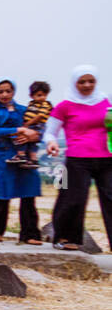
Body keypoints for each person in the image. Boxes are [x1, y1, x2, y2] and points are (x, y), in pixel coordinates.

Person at [45, 65, 112, 251]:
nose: (87, 85)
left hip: (107, 157)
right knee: (73, 198)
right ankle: (66, 238)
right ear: (75, 83)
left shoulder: (107, 102)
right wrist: (52, 143)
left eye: (91, 81)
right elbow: (50, 133)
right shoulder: (65, 106)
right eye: (82, 81)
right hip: (77, 158)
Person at [0, 78, 43, 243]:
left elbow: (39, 128)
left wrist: (33, 135)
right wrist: (19, 130)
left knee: (28, 194)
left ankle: (30, 234)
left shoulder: (25, 109)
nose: (4, 94)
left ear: (13, 92)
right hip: (4, 156)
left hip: (25, 156)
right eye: (1, 91)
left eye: (8, 91)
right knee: (2, 194)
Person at [5, 81, 50, 169]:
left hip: (37, 125)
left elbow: (40, 116)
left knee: (20, 136)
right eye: (39, 95)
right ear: (31, 96)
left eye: (44, 95)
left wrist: (27, 124)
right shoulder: (31, 104)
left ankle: (21, 155)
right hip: (33, 125)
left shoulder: (45, 104)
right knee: (31, 142)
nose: (43, 98)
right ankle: (33, 160)